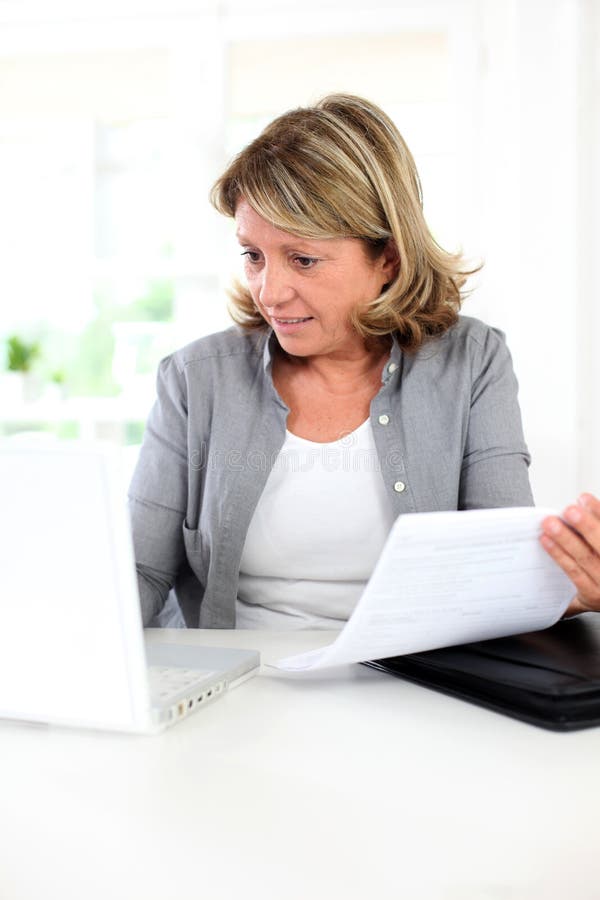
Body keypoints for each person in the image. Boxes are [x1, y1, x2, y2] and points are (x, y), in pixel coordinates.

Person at [128, 92, 600, 628]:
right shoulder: (195, 378)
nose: (270, 292)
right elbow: (138, 573)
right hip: (236, 689)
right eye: (253, 256)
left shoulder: (473, 363)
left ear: (388, 259)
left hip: (415, 684)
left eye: (303, 260)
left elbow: (500, 567)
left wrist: (569, 591)